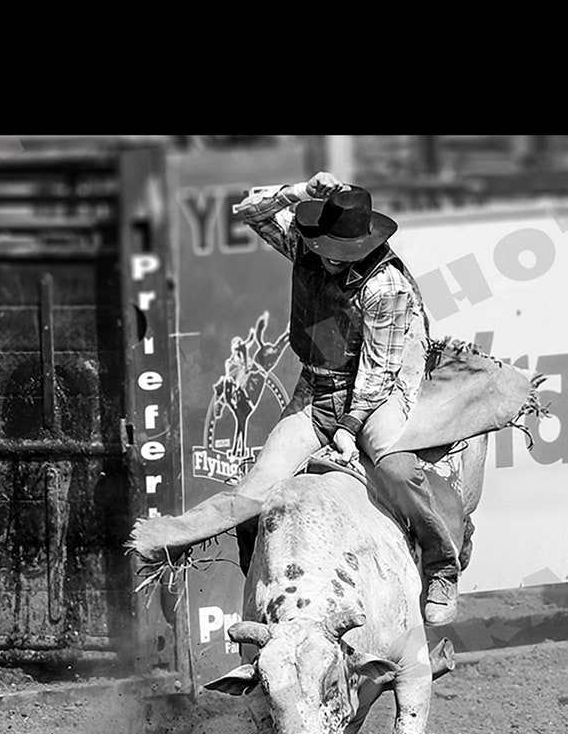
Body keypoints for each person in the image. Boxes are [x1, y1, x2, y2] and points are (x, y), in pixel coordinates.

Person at [129, 170, 468, 625]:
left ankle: (442, 565)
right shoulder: (306, 244)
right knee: (254, 494)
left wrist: (349, 428)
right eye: (324, 247)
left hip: (379, 394)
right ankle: (241, 575)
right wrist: (300, 192)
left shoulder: (385, 287)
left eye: (340, 253)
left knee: (397, 470)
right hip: (316, 389)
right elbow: (250, 210)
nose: (328, 259)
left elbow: (378, 370)